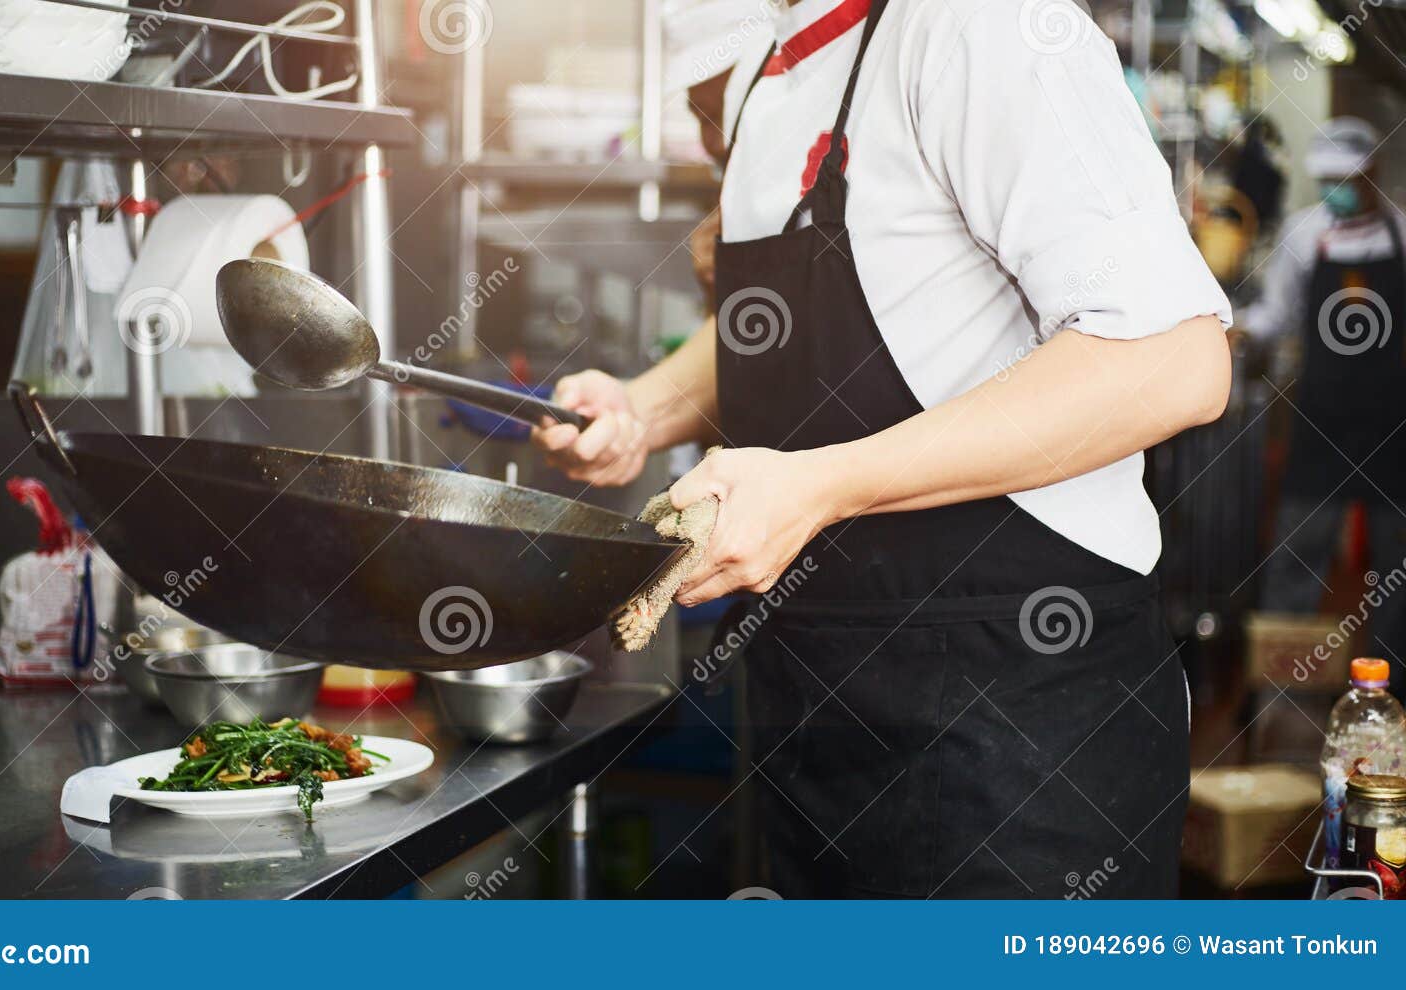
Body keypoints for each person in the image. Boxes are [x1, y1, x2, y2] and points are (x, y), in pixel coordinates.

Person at [533, 0, 1231, 897]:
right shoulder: (764, 76)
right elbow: (817, 318)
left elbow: (1171, 359)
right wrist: (640, 407)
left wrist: (825, 486)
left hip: (1015, 730)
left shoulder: (984, 27)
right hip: (809, 714)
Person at [1241, 117, 1406, 666]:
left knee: (1396, 569)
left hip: (1392, 423)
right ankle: (1286, 686)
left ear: (1371, 172)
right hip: (1321, 420)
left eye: (1347, 179)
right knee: (1297, 554)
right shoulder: (1302, 234)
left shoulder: (1402, 234)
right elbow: (1277, 314)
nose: (1336, 191)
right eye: (1328, 180)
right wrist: (1237, 327)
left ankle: (1390, 691)